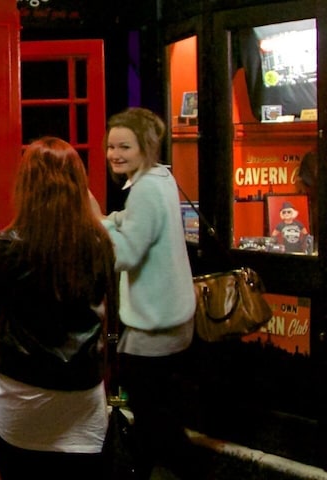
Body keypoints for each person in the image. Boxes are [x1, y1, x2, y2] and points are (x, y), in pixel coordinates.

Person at [0, 137, 120, 477]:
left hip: (19, 396)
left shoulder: (10, 242)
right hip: (82, 394)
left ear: (27, 185)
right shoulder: (99, 242)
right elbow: (107, 304)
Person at [100, 107, 200, 479]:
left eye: (124, 146)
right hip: (173, 316)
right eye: (111, 146)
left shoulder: (142, 190)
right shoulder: (161, 179)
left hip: (153, 324)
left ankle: (188, 470)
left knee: (154, 416)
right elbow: (143, 223)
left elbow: (125, 255)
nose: (115, 154)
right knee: (156, 412)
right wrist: (111, 219)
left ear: (146, 146)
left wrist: (100, 228)